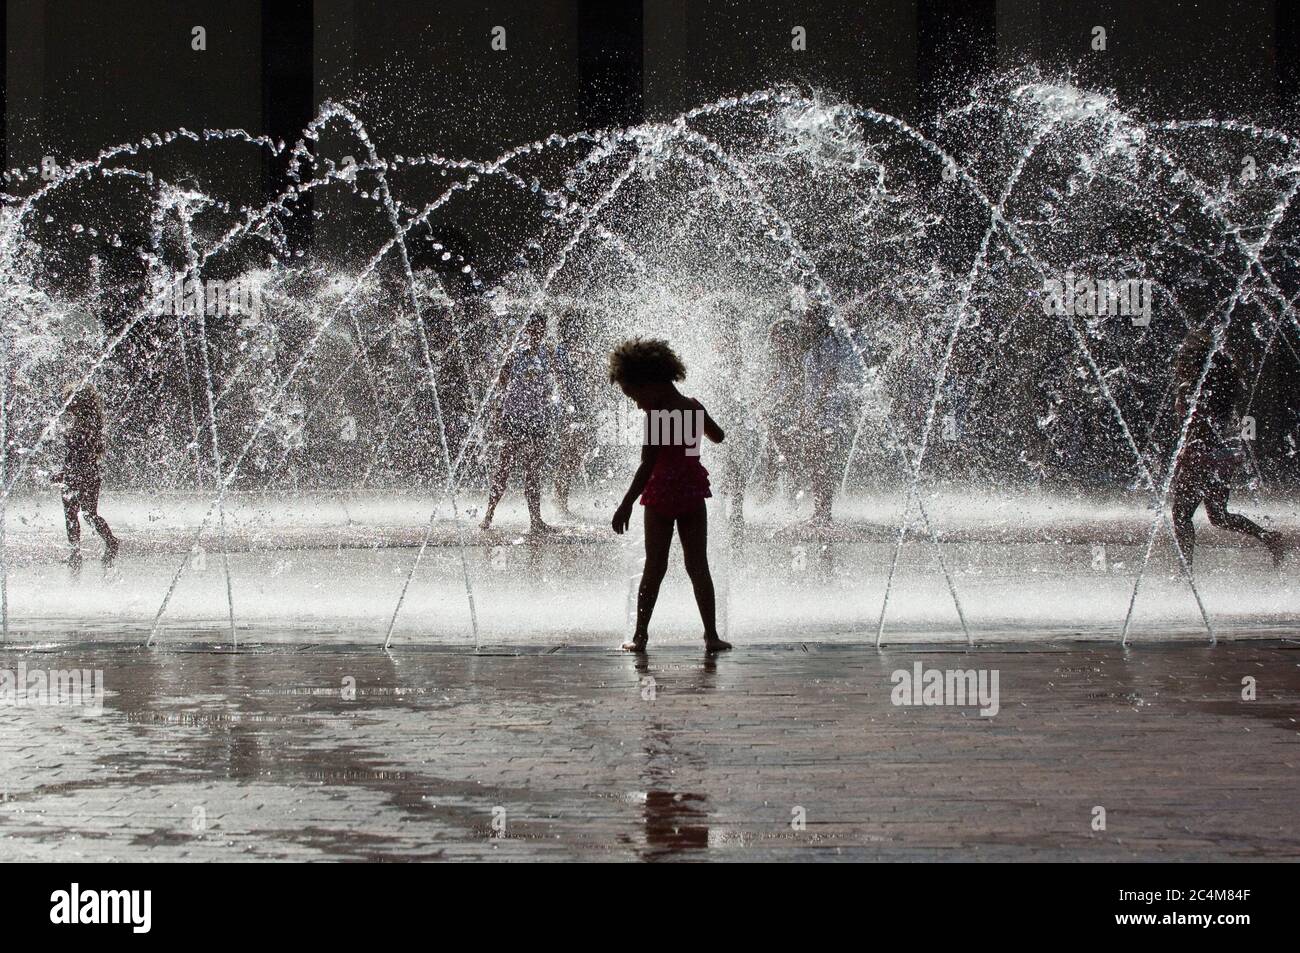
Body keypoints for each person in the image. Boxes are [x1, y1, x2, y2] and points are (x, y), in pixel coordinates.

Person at [609, 337, 731, 653]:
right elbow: (718, 437)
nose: (636, 403)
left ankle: (639, 636)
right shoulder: (692, 407)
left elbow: (647, 465)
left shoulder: (658, 417)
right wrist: (697, 422)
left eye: (634, 395)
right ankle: (711, 635)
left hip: (661, 495)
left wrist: (625, 504)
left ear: (651, 383)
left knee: (654, 566)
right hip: (691, 492)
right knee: (698, 565)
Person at [1169, 328, 1288, 569]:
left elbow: (1197, 427)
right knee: (1219, 516)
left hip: (1201, 457)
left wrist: (1187, 455)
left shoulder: (1193, 389)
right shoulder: (1218, 390)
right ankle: (1268, 537)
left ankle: (1186, 571)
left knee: (1181, 515)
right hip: (1221, 457)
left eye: (1183, 360)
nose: (1178, 364)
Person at [480, 312, 556, 534]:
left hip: (537, 419)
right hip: (514, 418)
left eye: (540, 329)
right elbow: (501, 387)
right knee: (503, 468)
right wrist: (497, 415)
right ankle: (488, 516)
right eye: (533, 328)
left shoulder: (546, 354)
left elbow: (550, 387)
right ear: (527, 329)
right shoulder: (514, 355)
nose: (537, 332)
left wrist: (548, 404)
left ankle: (536, 520)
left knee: (533, 471)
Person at [799, 307, 860, 526]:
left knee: (821, 463)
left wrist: (814, 410)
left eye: (809, 320)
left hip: (828, 413)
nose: (805, 324)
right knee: (816, 463)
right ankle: (820, 511)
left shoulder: (828, 346)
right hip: (817, 411)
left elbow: (830, 378)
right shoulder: (816, 346)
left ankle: (824, 512)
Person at [51, 383, 119, 568]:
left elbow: (79, 454)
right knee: (86, 514)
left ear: (78, 401)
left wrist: (65, 474)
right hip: (87, 474)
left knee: (74, 515)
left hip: (79, 474)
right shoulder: (90, 422)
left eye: (69, 399)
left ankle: (78, 552)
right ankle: (106, 543)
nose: (66, 403)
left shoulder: (84, 425)